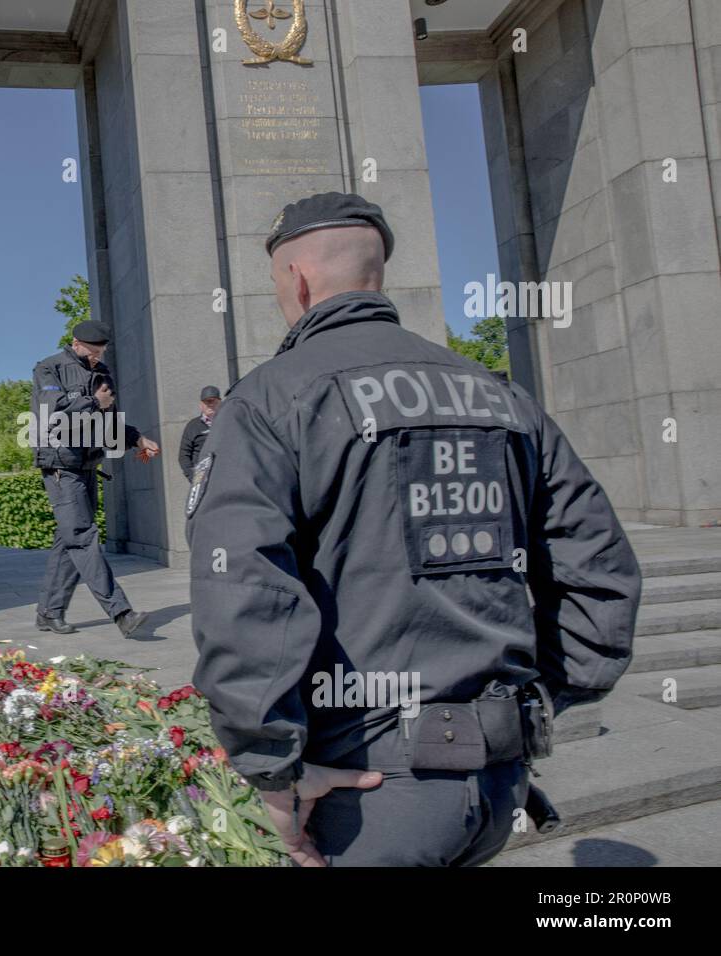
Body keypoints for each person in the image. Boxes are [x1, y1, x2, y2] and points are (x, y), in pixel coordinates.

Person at [186, 192, 641, 867]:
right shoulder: (502, 395)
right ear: (376, 274)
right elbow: (601, 575)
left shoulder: (269, 400)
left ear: (296, 279)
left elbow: (244, 591)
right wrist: (533, 704)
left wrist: (271, 769)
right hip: (500, 780)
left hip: (365, 787)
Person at [30, 320, 160, 637]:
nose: (96, 357)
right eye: (92, 351)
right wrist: (93, 402)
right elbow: (54, 414)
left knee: (70, 541)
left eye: (101, 352)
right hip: (60, 466)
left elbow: (109, 421)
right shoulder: (49, 368)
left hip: (88, 465)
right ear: (75, 343)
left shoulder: (102, 372)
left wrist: (137, 439)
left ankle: (49, 612)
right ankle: (121, 613)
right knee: (82, 536)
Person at [178, 385, 222, 482]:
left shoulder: (228, 422)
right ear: (201, 405)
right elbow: (184, 455)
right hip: (202, 478)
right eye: (207, 402)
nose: (210, 405)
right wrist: (193, 477)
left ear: (220, 402)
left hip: (224, 475)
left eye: (213, 401)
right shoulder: (192, 426)